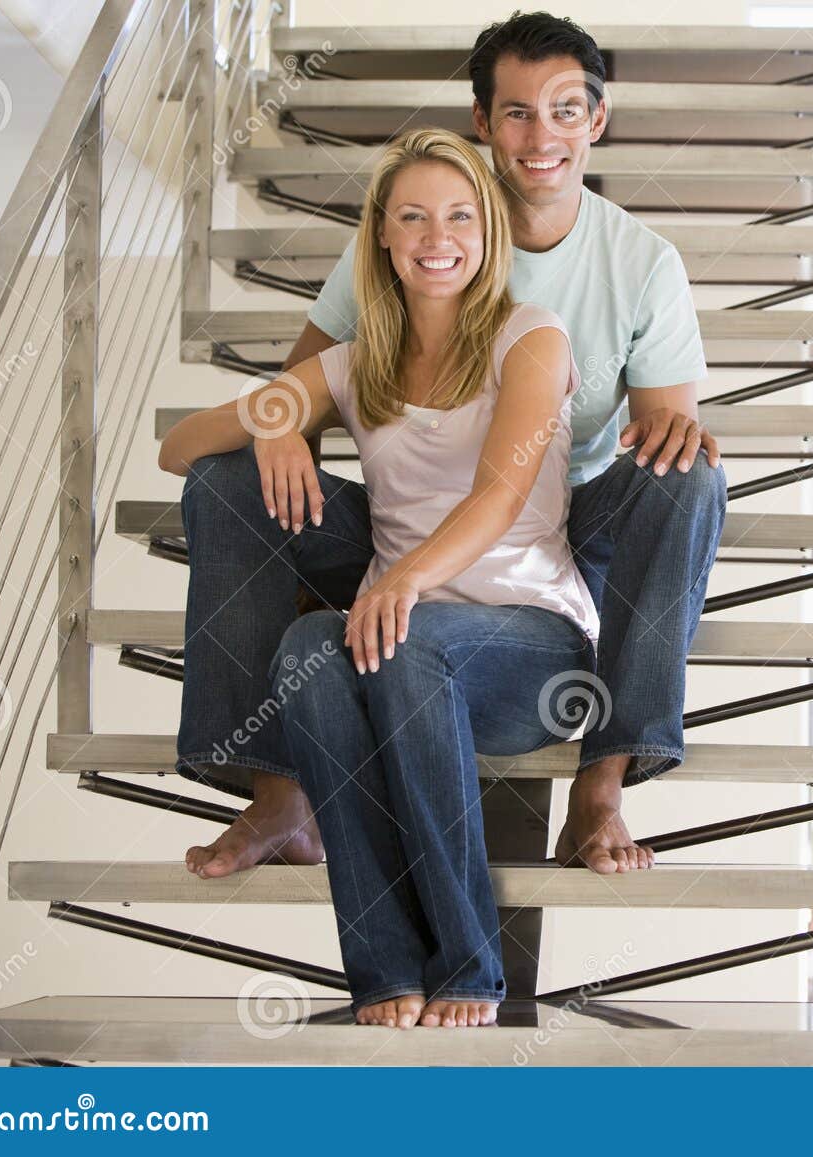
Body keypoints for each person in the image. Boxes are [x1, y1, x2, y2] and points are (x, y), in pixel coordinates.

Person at [171, 12, 727, 881]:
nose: (541, 136)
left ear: (598, 121)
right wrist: (278, 423)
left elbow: (660, 431)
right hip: (403, 521)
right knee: (227, 480)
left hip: (564, 530)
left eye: (565, 111)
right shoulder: (424, 238)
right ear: (482, 122)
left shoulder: (641, 262)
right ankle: (276, 786)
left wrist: (677, 430)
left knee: (687, 480)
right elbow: (299, 396)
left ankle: (604, 781)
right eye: (515, 112)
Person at [162, 128, 597, 1028]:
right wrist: (277, 421)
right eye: (413, 218)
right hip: (400, 633)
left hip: (532, 639)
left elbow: (499, 491)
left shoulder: (533, 338)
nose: (438, 237)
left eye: (459, 216)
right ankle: (384, 967)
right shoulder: (357, 361)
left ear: (487, 233)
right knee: (305, 645)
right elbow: (181, 448)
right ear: (385, 239)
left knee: (396, 647)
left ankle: (472, 966)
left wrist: (400, 584)